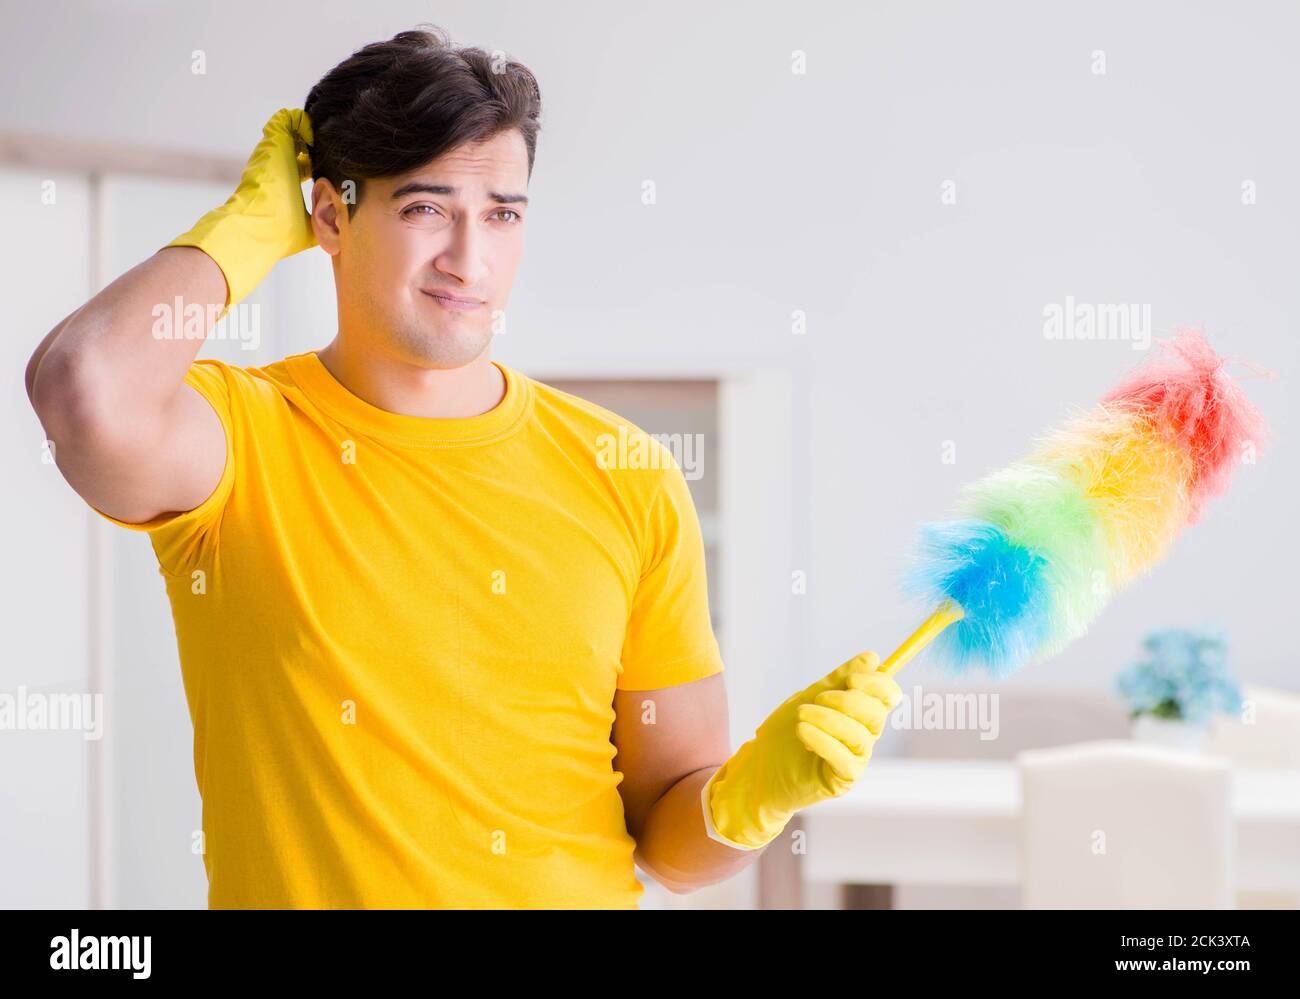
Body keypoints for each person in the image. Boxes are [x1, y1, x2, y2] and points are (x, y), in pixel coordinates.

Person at [24, 26, 902, 908]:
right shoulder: (240, 440)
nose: (469, 260)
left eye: (502, 215)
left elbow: (668, 844)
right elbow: (82, 389)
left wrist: (755, 793)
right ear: (330, 215)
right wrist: (246, 230)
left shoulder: (625, 471)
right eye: (425, 209)